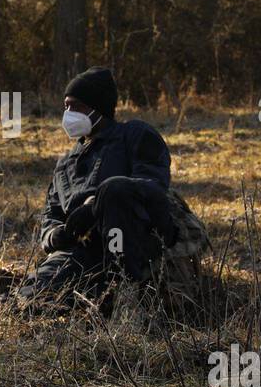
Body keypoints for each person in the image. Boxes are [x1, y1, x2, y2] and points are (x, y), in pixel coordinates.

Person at [17, 67, 176, 307]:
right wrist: (57, 235)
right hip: (83, 250)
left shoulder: (134, 135)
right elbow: (51, 215)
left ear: (97, 108)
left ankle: (124, 289)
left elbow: (154, 186)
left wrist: (95, 206)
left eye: (77, 106)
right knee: (32, 297)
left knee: (114, 189)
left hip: (135, 239)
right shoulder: (65, 164)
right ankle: (90, 301)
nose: (69, 114)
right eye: (66, 106)